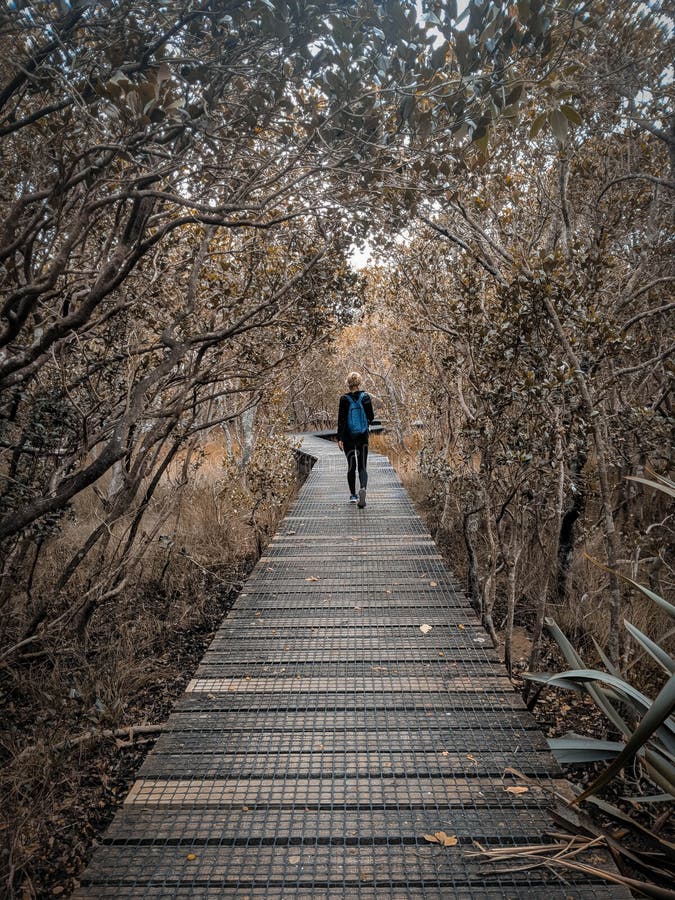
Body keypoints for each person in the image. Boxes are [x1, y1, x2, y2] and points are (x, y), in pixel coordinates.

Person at [337, 371, 374, 508]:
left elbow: (341, 420)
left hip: (348, 437)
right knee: (362, 466)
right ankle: (363, 487)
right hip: (362, 436)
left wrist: (339, 438)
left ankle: (353, 495)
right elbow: (371, 416)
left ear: (348, 383)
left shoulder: (344, 399)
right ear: (359, 383)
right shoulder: (365, 397)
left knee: (351, 466)